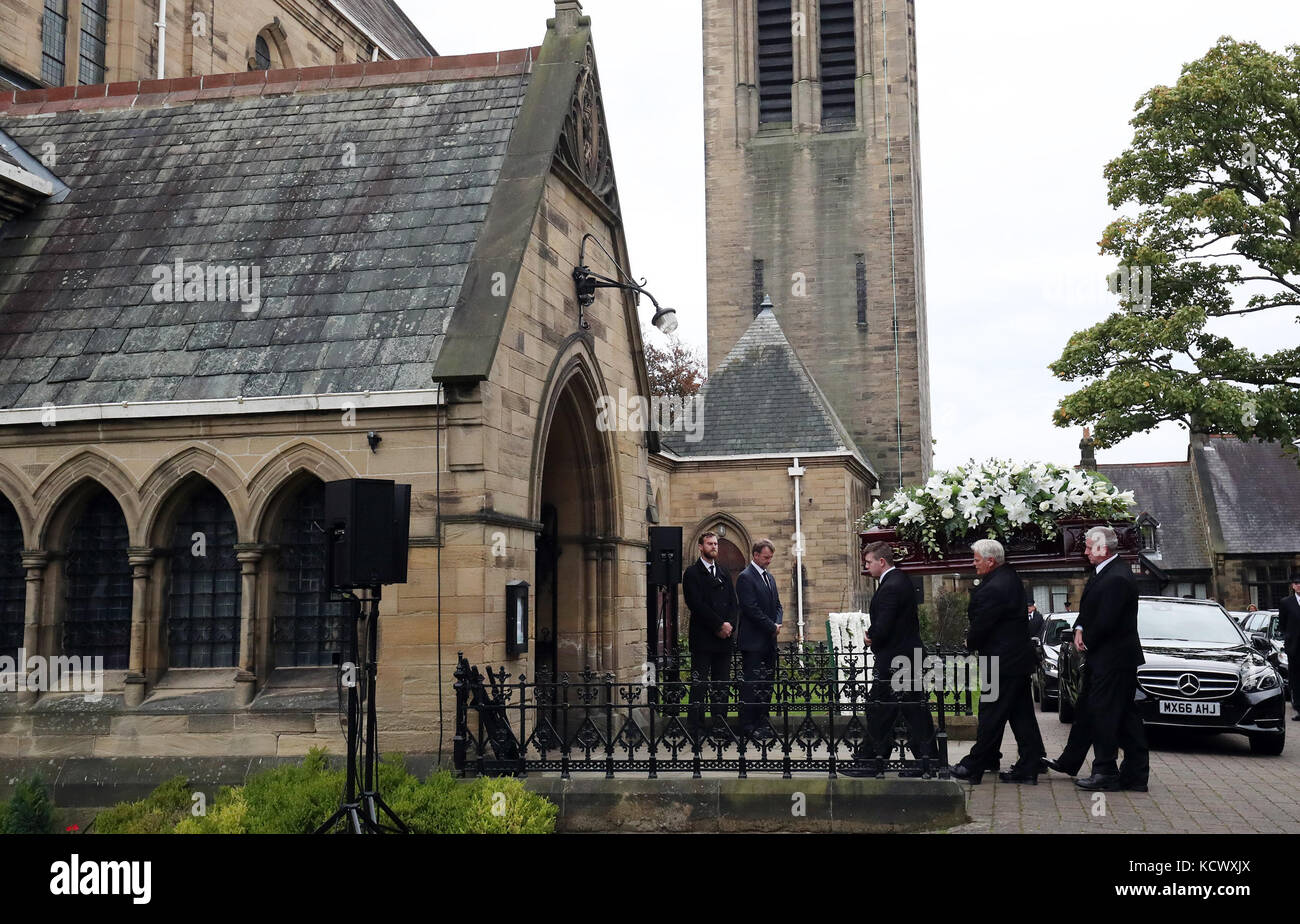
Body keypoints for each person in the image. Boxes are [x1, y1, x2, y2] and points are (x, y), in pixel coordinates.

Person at [1041, 526, 1149, 792]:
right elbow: (1089, 609)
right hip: (1107, 658)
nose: (1086, 551)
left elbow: (1107, 621)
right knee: (1114, 715)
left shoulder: (1116, 578)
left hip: (1113, 659)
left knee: (1106, 715)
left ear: (1104, 548)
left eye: (1090, 547)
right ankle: (1132, 773)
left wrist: (1086, 637)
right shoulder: (1104, 573)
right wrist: (1079, 628)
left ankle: (1106, 772)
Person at [952, 540, 1046, 784]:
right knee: (1021, 714)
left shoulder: (993, 588)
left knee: (991, 712)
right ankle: (1030, 762)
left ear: (990, 561)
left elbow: (982, 624)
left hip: (1001, 661)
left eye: (976, 559)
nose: (974, 564)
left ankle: (975, 764)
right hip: (1015, 659)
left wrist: (969, 642)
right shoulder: (1009, 577)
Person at [860, 540, 937, 773]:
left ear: (882, 562)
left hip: (898, 659)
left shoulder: (892, 585)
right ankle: (875, 756)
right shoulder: (897, 580)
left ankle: (878, 758)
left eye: (869, 562)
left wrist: (870, 637)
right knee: (894, 708)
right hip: (903, 656)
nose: (867, 567)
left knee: (895, 708)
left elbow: (884, 623)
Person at [682, 531, 737, 739]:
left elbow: (733, 603)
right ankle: (696, 727)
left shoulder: (722, 572)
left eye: (715, 543)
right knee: (700, 684)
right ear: (700, 547)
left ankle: (720, 725)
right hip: (704, 638)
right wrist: (718, 625)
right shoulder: (692, 573)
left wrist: (730, 625)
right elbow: (696, 604)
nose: (714, 546)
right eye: (709, 543)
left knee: (721, 684)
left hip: (724, 639)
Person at [734, 539, 782, 741]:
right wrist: (771, 626)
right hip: (753, 641)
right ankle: (748, 725)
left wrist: (777, 623)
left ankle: (763, 721)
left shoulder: (769, 578)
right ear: (755, 555)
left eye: (770, 557)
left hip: (769, 641)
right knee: (751, 684)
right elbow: (751, 609)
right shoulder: (746, 578)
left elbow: (778, 605)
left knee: (766, 684)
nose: (769, 561)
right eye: (765, 557)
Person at [1277, 573, 1300, 721]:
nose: (1299, 585)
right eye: (1297, 583)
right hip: (1295, 647)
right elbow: (1282, 624)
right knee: (1296, 678)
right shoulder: (1286, 602)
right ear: (1292, 586)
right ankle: (1299, 708)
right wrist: (1288, 638)